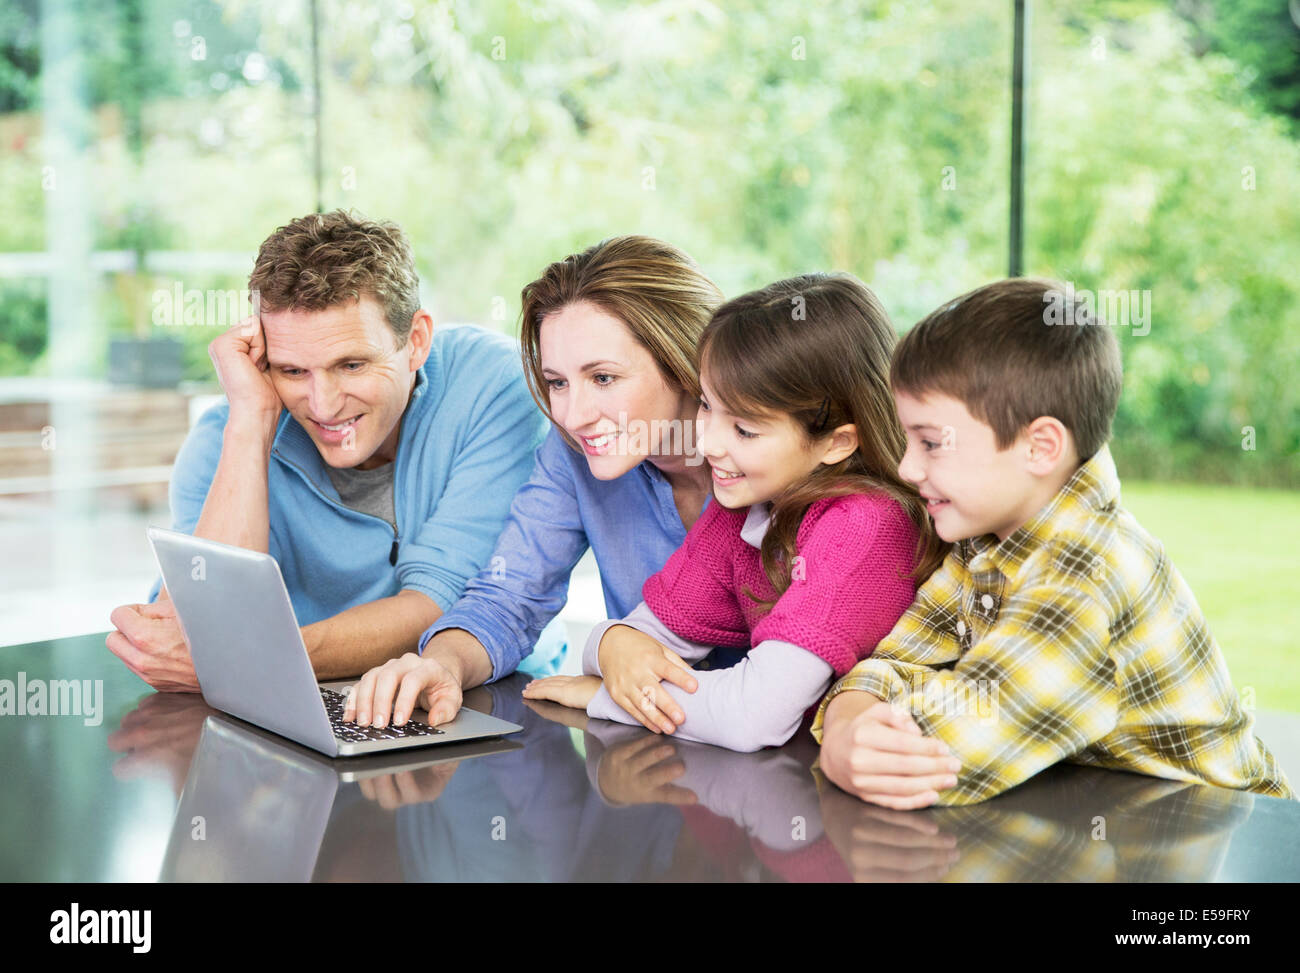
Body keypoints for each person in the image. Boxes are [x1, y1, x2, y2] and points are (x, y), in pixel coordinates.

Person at [814, 277, 1295, 808]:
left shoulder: (1087, 575)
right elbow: (897, 664)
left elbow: (942, 756)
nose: (907, 467)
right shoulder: (986, 540)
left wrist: (847, 746)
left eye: (930, 442)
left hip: (1219, 840)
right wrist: (849, 725)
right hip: (1101, 815)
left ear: (1041, 447)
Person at [106, 210, 560, 691]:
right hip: (298, 709)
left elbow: (447, 604)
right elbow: (201, 621)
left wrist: (249, 659)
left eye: (351, 364)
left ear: (417, 341)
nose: (323, 405)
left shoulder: (494, 385)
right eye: (292, 371)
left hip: (493, 705)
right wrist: (251, 425)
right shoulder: (229, 435)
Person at [520, 274, 948, 751]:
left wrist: (609, 696)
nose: (708, 443)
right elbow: (646, 634)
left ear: (836, 442)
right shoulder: (744, 508)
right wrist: (609, 644)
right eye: (707, 405)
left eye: (744, 430)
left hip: (866, 798)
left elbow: (753, 716)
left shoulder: (866, 525)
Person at [343, 236, 728, 728]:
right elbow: (509, 598)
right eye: (558, 382)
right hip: (660, 755)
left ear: (685, 359)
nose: (573, 415)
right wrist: (442, 665)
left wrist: (602, 670)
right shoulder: (574, 453)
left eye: (604, 378)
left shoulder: (778, 461)